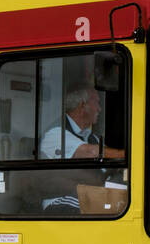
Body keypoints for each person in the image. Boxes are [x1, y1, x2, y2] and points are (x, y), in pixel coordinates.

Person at [37, 84, 123, 213]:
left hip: (89, 194)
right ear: (83, 105)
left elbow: (110, 158)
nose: (99, 109)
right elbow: (91, 152)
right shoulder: (55, 134)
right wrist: (133, 154)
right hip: (61, 200)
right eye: (97, 103)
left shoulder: (91, 137)